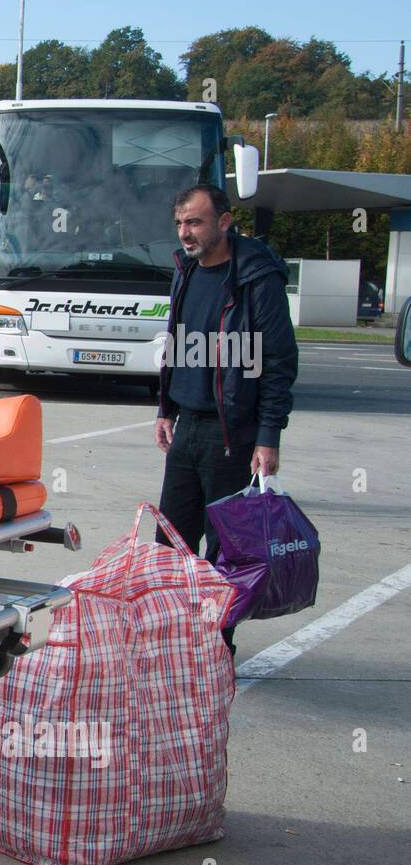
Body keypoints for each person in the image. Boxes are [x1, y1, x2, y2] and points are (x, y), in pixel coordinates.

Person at [156, 183, 298, 655]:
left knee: (224, 550)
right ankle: (173, 643)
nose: (185, 233)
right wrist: (166, 408)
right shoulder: (186, 271)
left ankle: (217, 650)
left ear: (224, 221)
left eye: (194, 222)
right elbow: (176, 345)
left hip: (231, 433)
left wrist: (268, 435)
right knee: (169, 543)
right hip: (187, 427)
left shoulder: (256, 277)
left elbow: (276, 360)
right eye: (179, 223)